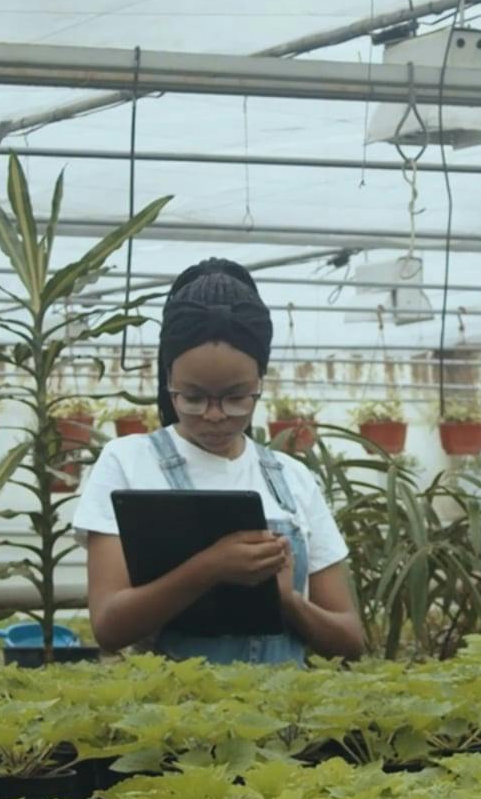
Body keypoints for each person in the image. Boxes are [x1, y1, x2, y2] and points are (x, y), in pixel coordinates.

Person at [76, 257, 365, 666]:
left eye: (235, 397)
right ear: (168, 381)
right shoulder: (128, 463)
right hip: (174, 720)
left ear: (260, 381)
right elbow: (108, 626)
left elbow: (350, 639)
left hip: (285, 721)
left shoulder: (293, 478)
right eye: (192, 398)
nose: (214, 415)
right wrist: (210, 568)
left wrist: (286, 602)